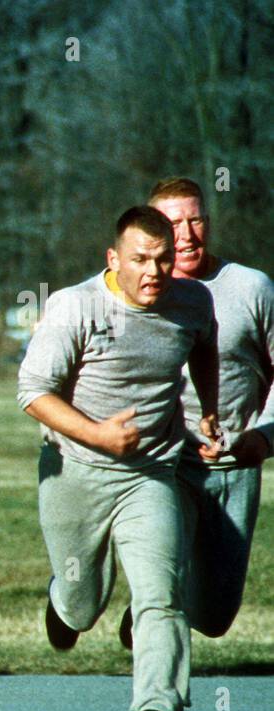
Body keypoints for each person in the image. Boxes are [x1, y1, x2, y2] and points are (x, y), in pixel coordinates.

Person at [17, 205, 221, 711]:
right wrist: (99, 434)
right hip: (75, 471)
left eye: (162, 260)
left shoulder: (191, 301)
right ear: (114, 260)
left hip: (150, 474)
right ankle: (63, 603)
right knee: (84, 605)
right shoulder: (75, 307)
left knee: (161, 596)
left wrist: (206, 407)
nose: (153, 273)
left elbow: (202, 344)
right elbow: (31, 391)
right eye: (139, 261)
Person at [112, 178, 274, 648]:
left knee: (216, 615)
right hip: (165, 462)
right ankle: (160, 706)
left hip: (235, 464)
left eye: (195, 219)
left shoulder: (251, 287)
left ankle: (160, 606)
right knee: (162, 583)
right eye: (171, 223)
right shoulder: (134, 294)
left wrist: (262, 437)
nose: (185, 234)